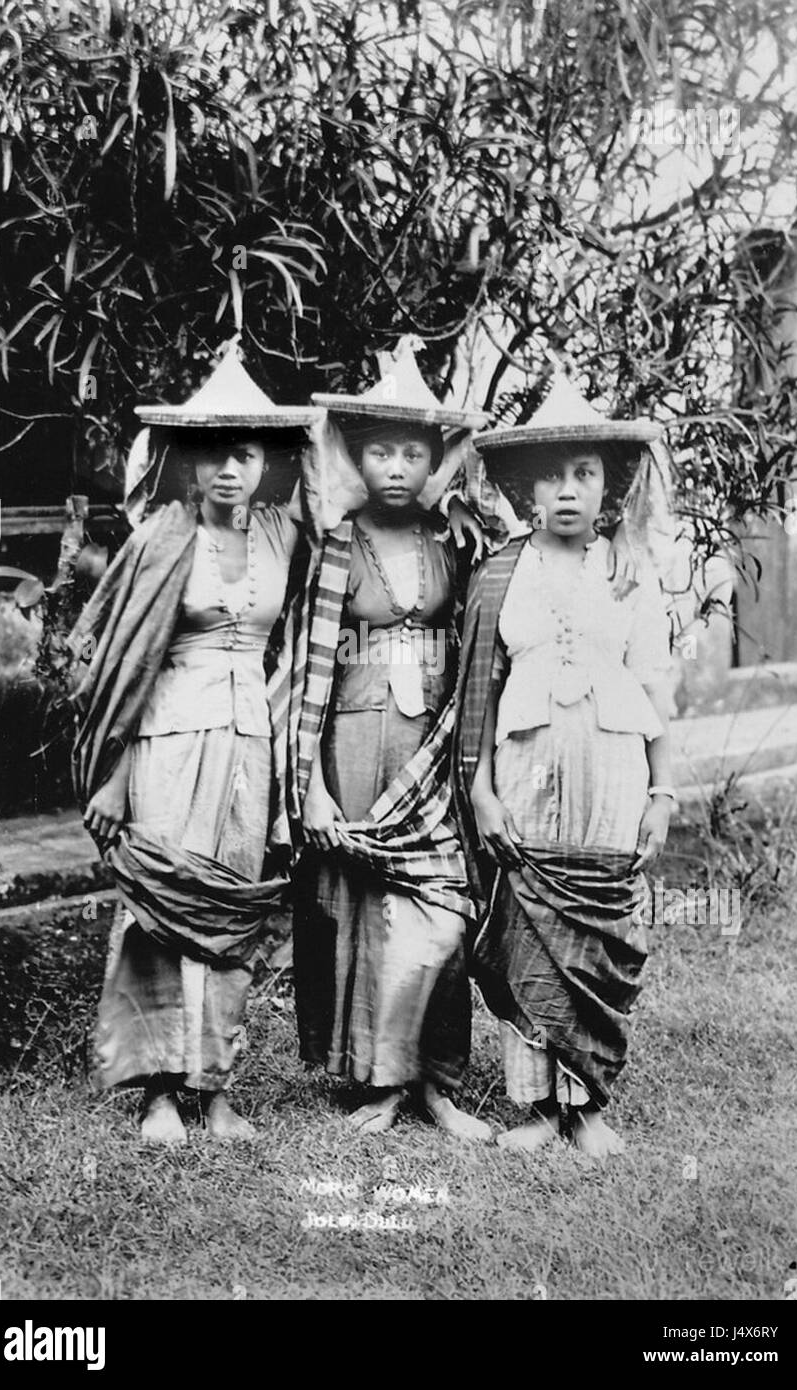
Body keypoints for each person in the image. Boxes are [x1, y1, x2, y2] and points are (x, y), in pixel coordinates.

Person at [69, 341, 351, 1144]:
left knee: (231, 909)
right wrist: (116, 776)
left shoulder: (283, 535)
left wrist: (313, 423)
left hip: (247, 741)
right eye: (211, 453)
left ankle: (215, 1087)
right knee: (161, 905)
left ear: (268, 462)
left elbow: (342, 479)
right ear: (184, 464)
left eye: (246, 451)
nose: (229, 468)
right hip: (164, 736)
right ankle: (159, 1089)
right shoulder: (160, 540)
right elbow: (118, 663)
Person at [453, 372, 676, 1160]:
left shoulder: (629, 571)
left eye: (584, 474)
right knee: (531, 930)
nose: (569, 491)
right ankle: (539, 1107)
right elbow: (476, 695)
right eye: (552, 477)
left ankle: (588, 1107)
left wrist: (663, 790)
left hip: (612, 769)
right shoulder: (500, 576)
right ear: (526, 490)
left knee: (600, 928)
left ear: (607, 485)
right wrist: (480, 789)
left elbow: (656, 683)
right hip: (526, 772)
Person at [290, 341, 498, 1139]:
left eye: (415, 452)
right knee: (367, 904)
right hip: (352, 738)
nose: (398, 467)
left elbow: (483, 641)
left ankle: (437, 1082)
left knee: (439, 897)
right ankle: (379, 1081)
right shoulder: (336, 543)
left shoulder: (456, 542)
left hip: (433, 744)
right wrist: (307, 780)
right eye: (381, 451)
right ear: (357, 456)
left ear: (437, 459)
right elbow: (307, 670)